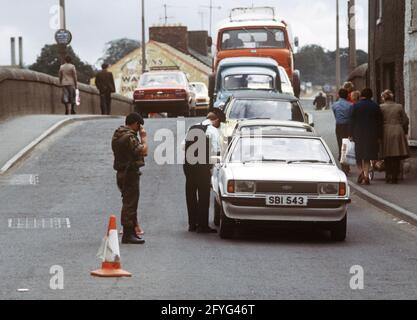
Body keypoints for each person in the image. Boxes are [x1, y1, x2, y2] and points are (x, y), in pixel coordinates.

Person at [183, 109, 225, 233]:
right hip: (202, 166)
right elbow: (216, 151)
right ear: (216, 120)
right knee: (203, 194)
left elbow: (183, 145)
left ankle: (192, 224)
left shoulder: (192, 127)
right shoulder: (212, 130)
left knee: (190, 193)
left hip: (188, 165)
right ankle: (203, 225)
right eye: (220, 123)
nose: (219, 126)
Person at [112, 113, 148, 244]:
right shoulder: (129, 137)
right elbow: (143, 151)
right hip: (129, 173)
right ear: (135, 124)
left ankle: (131, 231)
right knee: (130, 203)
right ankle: (128, 234)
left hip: (122, 172)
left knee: (128, 201)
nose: (139, 129)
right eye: (139, 126)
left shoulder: (118, 134)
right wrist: (144, 138)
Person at [350, 88, 383, 185]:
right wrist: (379, 136)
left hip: (358, 134)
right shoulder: (375, 106)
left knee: (359, 155)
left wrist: (350, 134)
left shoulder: (355, 106)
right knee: (368, 156)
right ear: (371, 95)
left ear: (362, 96)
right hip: (371, 135)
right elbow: (379, 122)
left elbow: (351, 120)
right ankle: (366, 174)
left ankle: (361, 172)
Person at [380, 90, 410, 184]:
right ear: (392, 97)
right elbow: (405, 120)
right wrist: (403, 129)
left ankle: (388, 175)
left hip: (386, 131)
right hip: (398, 130)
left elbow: (379, 120)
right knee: (396, 156)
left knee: (387, 155)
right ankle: (395, 177)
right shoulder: (399, 106)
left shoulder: (381, 107)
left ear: (384, 98)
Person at [332, 88, 353, 174]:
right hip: (348, 126)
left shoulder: (335, 105)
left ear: (339, 95)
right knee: (347, 145)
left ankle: (343, 164)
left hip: (339, 126)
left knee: (340, 144)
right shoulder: (350, 105)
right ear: (347, 95)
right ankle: (347, 164)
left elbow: (335, 114)